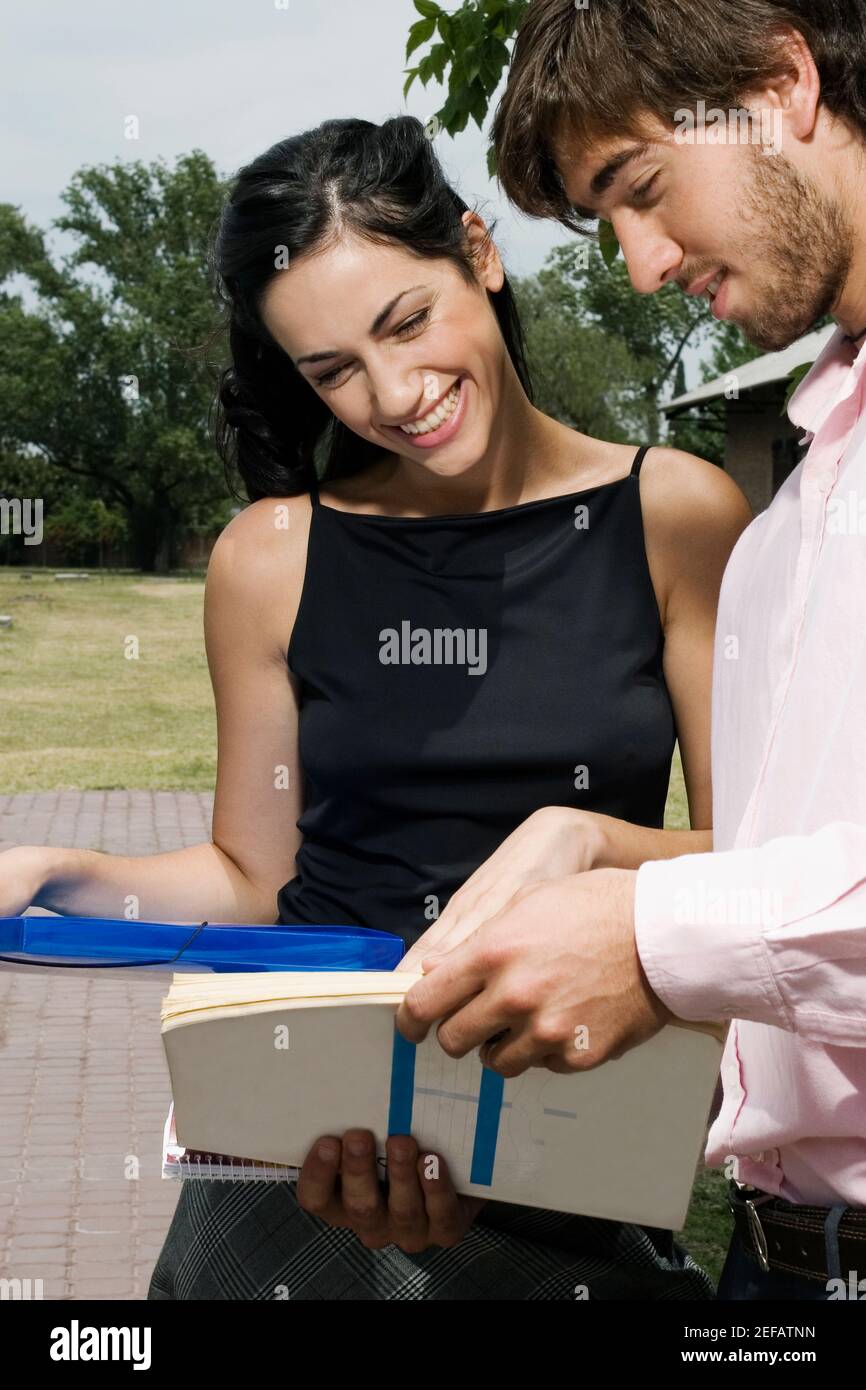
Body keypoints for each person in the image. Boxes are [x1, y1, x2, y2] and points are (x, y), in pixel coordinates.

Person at [0, 115, 748, 1300]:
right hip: (303, 1172)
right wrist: (58, 868)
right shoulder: (271, 558)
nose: (395, 395)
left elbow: (752, 867)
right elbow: (255, 880)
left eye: (405, 321)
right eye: (330, 371)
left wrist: (593, 847)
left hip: (563, 1138)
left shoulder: (675, 513)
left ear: (477, 250)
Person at [399, 0, 866, 1302]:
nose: (642, 266)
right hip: (768, 1259)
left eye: (642, 189)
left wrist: (646, 929)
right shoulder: (789, 520)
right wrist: (595, 846)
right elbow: (798, 884)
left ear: (782, 85)